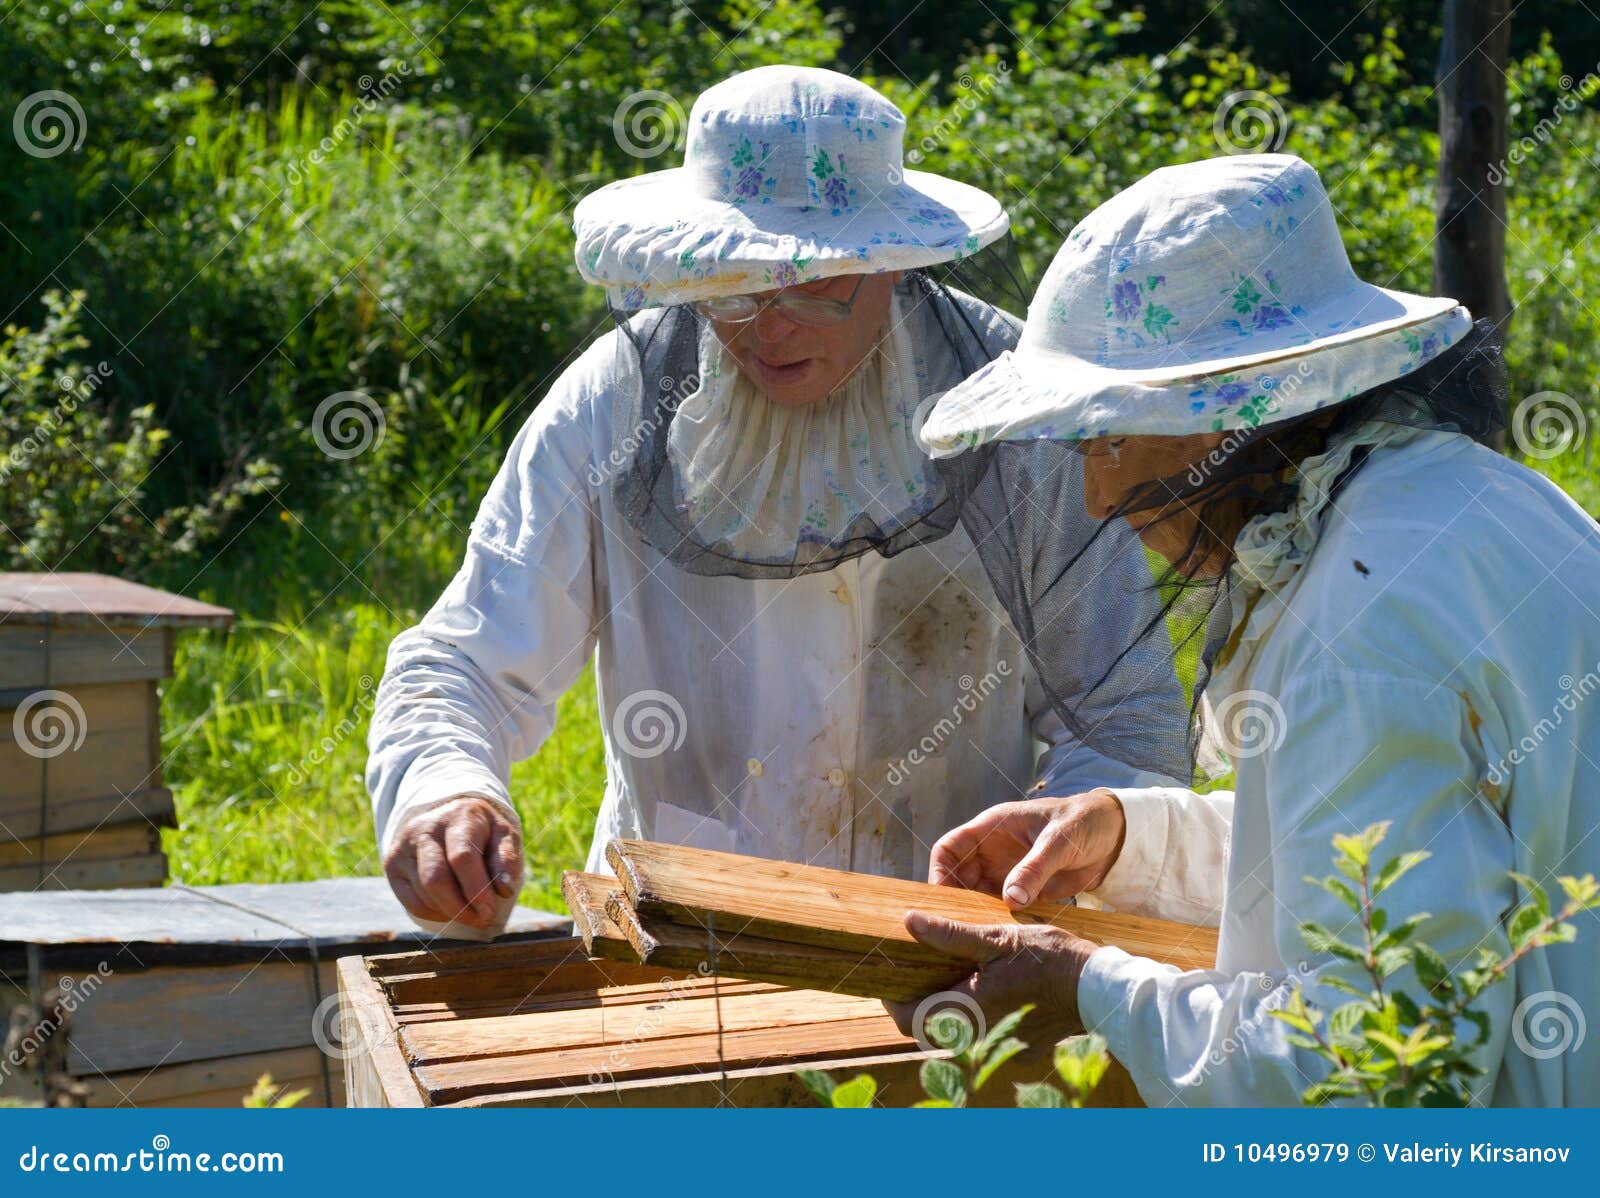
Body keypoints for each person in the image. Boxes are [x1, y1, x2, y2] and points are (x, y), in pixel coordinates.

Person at [366, 66, 1188, 937]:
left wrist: (1063, 848)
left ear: (890, 260)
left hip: (953, 953)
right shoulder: (617, 403)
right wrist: (442, 790)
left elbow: (1122, 718)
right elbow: (465, 661)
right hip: (679, 944)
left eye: (812, 283)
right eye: (734, 281)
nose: (769, 323)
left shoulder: (1010, 411)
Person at [897, 152, 1600, 1106]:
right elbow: (1372, 848)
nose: (1098, 495)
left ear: (1222, 417)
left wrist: (1090, 986)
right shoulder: (1473, 501)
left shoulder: (1359, 626)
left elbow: (1366, 1079)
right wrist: (1125, 838)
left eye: (1107, 437)